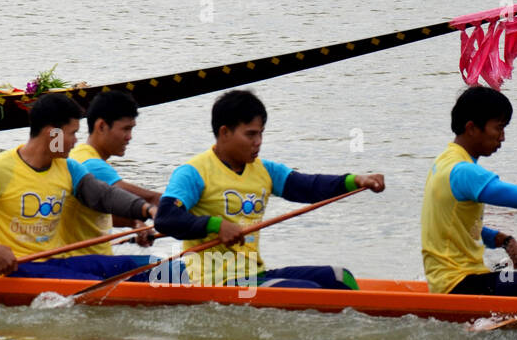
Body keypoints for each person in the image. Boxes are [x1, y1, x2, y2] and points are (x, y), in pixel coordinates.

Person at [154, 89, 384, 289]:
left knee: (339, 278)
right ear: (224, 132)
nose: (258, 141)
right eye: (250, 134)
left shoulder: (265, 170)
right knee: (306, 291)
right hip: (215, 281)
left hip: (254, 275)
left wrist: (356, 181)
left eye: (261, 133)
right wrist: (215, 225)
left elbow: (309, 186)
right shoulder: (193, 172)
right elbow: (165, 218)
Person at [0, 93, 164, 281]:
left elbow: (104, 196)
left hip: (58, 263)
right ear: (52, 133)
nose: (76, 141)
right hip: (16, 269)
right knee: (104, 283)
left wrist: (147, 209)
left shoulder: (68, 168)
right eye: (72, 133)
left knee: (140, 268)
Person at [421, 86, 517, 297]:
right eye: (499, 128)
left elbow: (456, 227)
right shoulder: (464, 172)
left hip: (453, 282)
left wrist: (504, 240)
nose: (502, 137)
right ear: (472, 128)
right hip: (464, 284)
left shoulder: (443, 162)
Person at [64, 91, 161, 257]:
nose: (129, 137)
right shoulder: (91, 165)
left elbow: (100, 208)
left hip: (96, 257)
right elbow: (152, 200)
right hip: (86, 263)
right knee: (176, 271)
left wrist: (134, 223)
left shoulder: (81, 155)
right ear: (101, 126)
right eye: (126, 129)